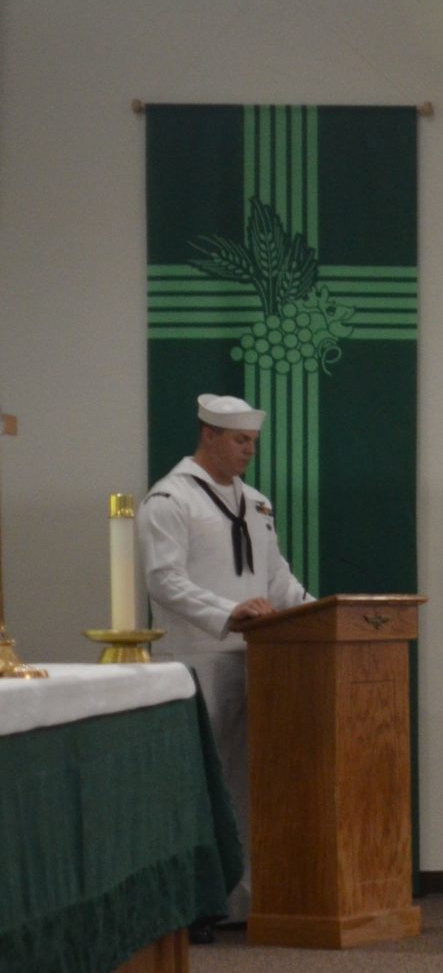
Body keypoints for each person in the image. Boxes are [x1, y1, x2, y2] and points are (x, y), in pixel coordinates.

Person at [139, 394, 312, 935]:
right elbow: (164, 580)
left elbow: (276, 579)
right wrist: (227, 612)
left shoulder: (256, 503)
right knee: (196, 781)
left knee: (245, 776)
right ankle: (190, 905)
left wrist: (321, 615)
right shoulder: (169, 500)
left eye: (254, 443)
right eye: (241, 441)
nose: (249, 451)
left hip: (258, 658)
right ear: (208, 435)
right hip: (195, 656)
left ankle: (239, 900)